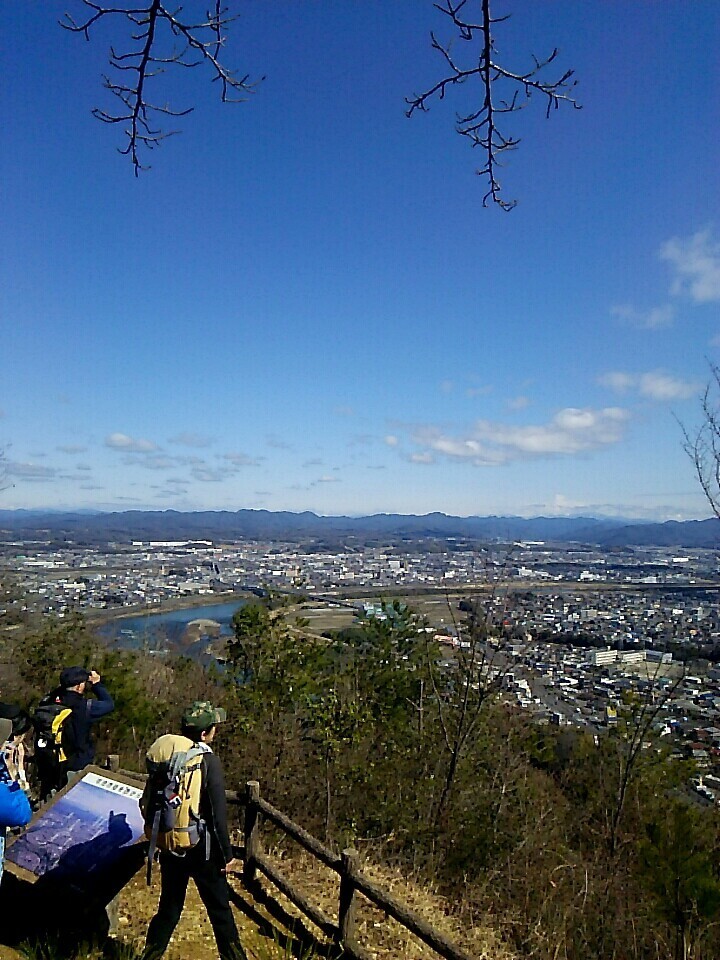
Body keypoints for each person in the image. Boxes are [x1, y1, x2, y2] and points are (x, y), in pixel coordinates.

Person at [141, 701, 247, 960]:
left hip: (171, 841)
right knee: (220, 911)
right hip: (203, 848)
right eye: (213, 728)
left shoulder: (169, 756)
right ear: (204, 734)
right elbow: (217, 816)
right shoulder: (207, 762)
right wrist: (227, 856)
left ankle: (150, 956)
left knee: (169, 907)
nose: (215, 732)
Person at [35, 666, 114, 799]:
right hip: (76, 765)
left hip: (49, 764)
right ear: (79, 687)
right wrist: (97, 684)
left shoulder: (47, 702)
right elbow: (109, 704)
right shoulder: (85, 707)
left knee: (48, 807)